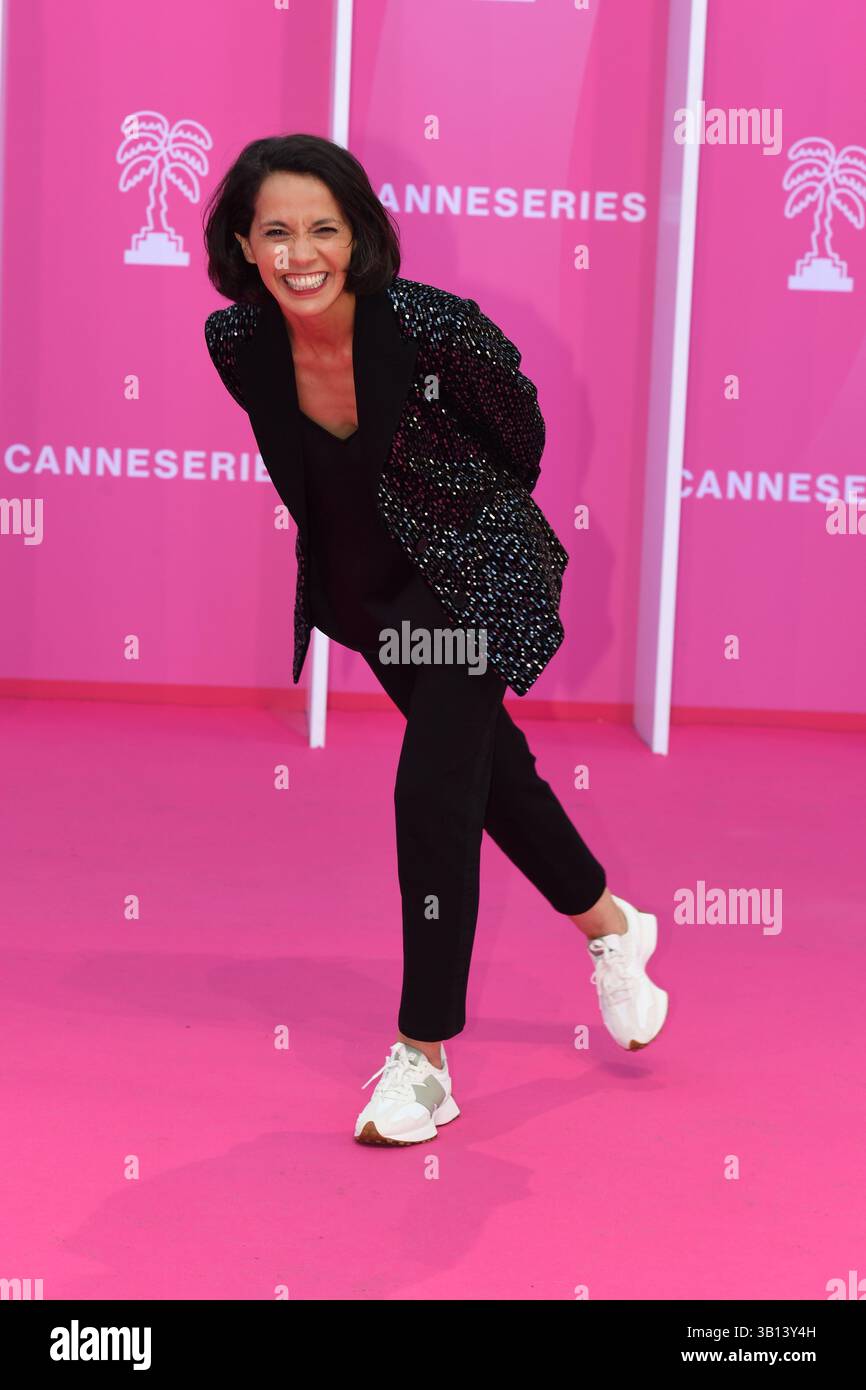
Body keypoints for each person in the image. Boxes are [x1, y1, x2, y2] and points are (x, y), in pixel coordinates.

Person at [203, 133, 668, 1147]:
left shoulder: (431, 328)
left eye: (322, 228)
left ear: (357, 233)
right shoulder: (236, 343)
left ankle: (424, 1060)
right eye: (275, 230)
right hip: (375, 598)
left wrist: (459, 517)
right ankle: (611, 926)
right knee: (492, 778)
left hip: (473, 573)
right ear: (242, 240)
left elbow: (521, 436)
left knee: (431, 790)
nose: (300, 253)